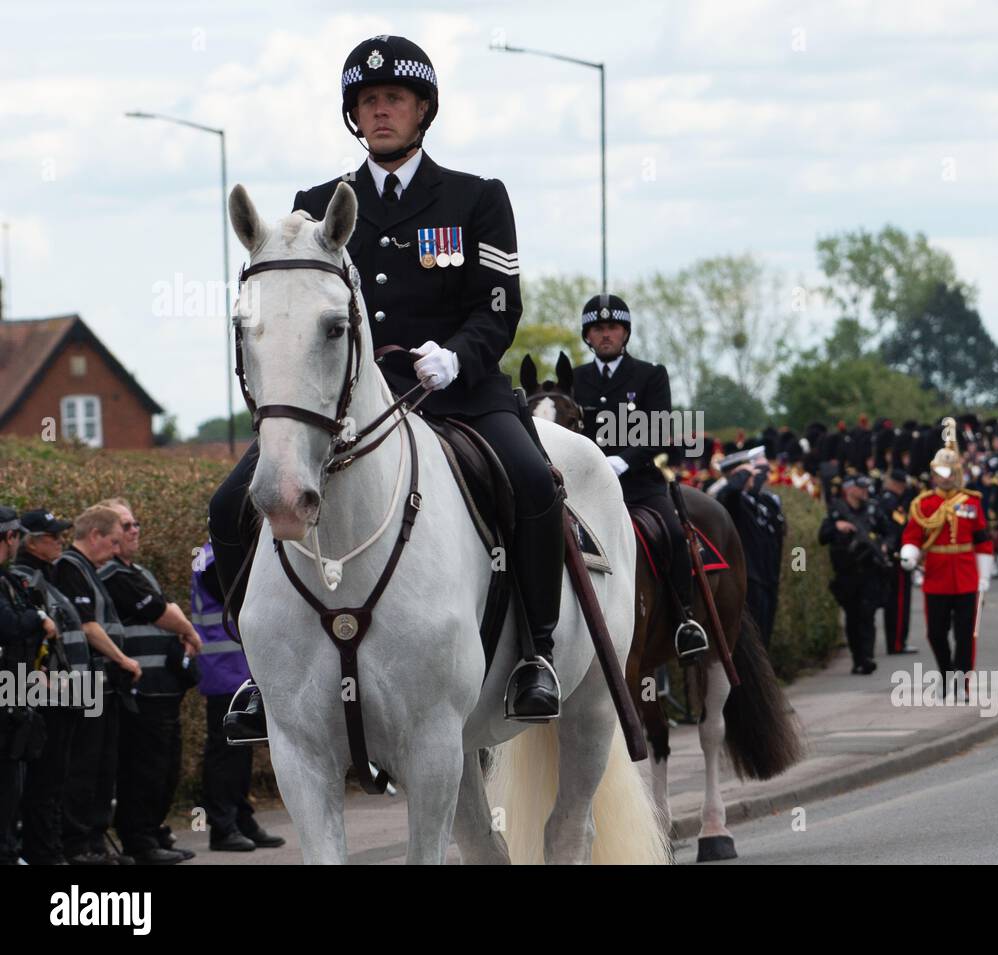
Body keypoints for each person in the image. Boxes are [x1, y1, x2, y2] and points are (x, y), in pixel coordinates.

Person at [210, 33, 565, 733]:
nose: (380, 112)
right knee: (229, 506)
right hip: (347, 403)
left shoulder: (476, 198)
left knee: (531, 478)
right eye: (367, 102)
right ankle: (259, 672)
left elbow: (500, 305)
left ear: (422, 109)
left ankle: (537, 652)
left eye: (393, 100)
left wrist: (458, 356)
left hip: (457, 391)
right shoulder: (316, 204)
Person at [572, 293, 708, 658]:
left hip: (639, 485)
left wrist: (621, 461)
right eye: (597, 328)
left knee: (673, 534)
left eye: (613, 327)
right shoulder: (575, 378)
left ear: (625, 333)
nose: (605, 335)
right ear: (587, 336)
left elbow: (657, 431)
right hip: (587, 488)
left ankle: (686, 620)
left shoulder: (650, 375)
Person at [95, 499, 201, 864]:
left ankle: (154, 831)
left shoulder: (138, 570)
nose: (134, 530)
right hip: (141, 688)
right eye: (125, 526)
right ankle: (139, 841)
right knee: (143, 768)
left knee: (165, 766)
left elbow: (164, 606)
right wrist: (188, 629)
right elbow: (160, 611)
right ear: (106, 534)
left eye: (136, 523)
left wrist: (178, 624)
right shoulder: (112, 575)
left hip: (164, 685)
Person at [52, 506, 140, 865]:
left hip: (100, 684)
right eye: (113, 541)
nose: (117, 549)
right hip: (85, 682)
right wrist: (122, 658)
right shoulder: (70, 568)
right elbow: (88, 626)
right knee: (85, 766)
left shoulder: (89, 568)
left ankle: (95, 842)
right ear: (95, 536)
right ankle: (78, 844)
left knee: (103, 766)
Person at [190, 543, 285, 852]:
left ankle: (241, 818)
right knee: (224, 752)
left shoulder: (215, 554)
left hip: (237, 668)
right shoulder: (214, 558)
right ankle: (222, 825)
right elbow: (240, 597)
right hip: (225, 668)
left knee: (241, 750)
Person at [11, 507, 85, 866]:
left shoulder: (47, 575)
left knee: (55, 780)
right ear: (32, 542)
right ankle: (44, 853)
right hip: (42, 693)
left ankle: (50, 850)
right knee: (44, 781)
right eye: (53, 537)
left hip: (63, 690)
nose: (60, 542)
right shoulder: (25, 578)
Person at [899, 420, 993, 689]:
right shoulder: (924, 504)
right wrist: (910, 553)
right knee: (935, 633)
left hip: (965, 576)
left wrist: (983, 577)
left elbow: (982, 542)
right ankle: (946, 672)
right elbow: (913, 536)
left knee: (966, 634)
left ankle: (961, 683)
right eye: (941, 472)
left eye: (949, 472)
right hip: (937, 577)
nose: (945, 477)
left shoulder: (971, 501)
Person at [0, 506, 52, 866]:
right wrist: (38, 618)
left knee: (14, 775)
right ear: (10, 537)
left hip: (16, 691)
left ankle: (9, 848)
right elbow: (9, 626)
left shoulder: (7, 580)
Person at [819, 473, 891, 674]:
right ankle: (857, 658)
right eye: (861, 488)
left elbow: (889, 532)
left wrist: (885, 546)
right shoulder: (837, 511)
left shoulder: (873, 509)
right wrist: (836, 527)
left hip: (870, 569)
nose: (865, 491)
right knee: (853, 616)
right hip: (847, 572)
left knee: (868, 614)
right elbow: (822, 537)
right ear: (849, 489)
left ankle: (867, 657)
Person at [713, 447, 786, 648]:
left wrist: (796, 567)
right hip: (751, 578)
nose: (757, 475)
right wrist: (742, 474)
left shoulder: (762, 502)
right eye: (750, 471)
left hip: (767, 576)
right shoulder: (733, 502)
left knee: (765, 636)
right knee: (752, 640)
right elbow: (728, 492)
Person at [876, 469, 919, 655]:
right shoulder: (892, 501)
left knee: (894, 600)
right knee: (899, 600)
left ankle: (896, 641)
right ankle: (897, 642)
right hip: (897, 555)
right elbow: (901, 525)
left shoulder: (885, 498)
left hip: (893, 553)